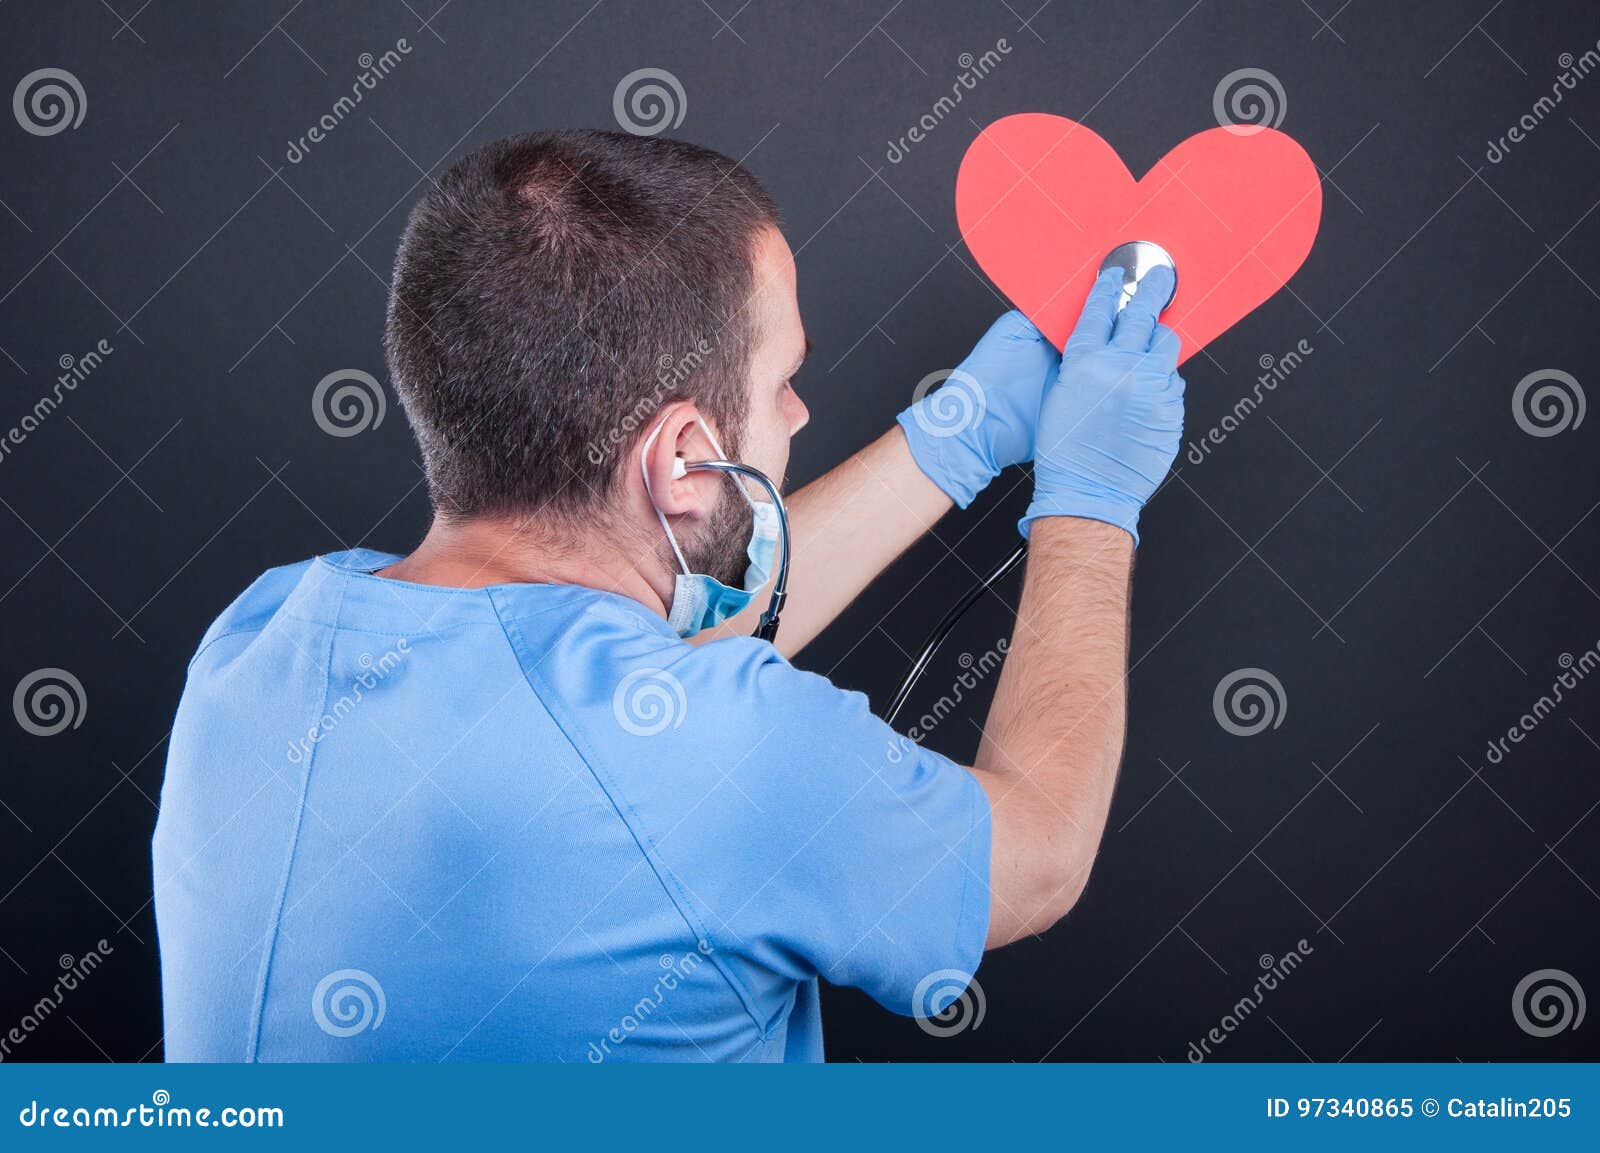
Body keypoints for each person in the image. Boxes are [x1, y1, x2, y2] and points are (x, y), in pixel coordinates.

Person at [152, 130, 1184, 1062]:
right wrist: (1091, 506)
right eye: (784, 377)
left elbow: (621, 696)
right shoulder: (733, 755)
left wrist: (949, 439)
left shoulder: (256, 644)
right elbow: (1039, 854)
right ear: (683, 462)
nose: (798, 410)